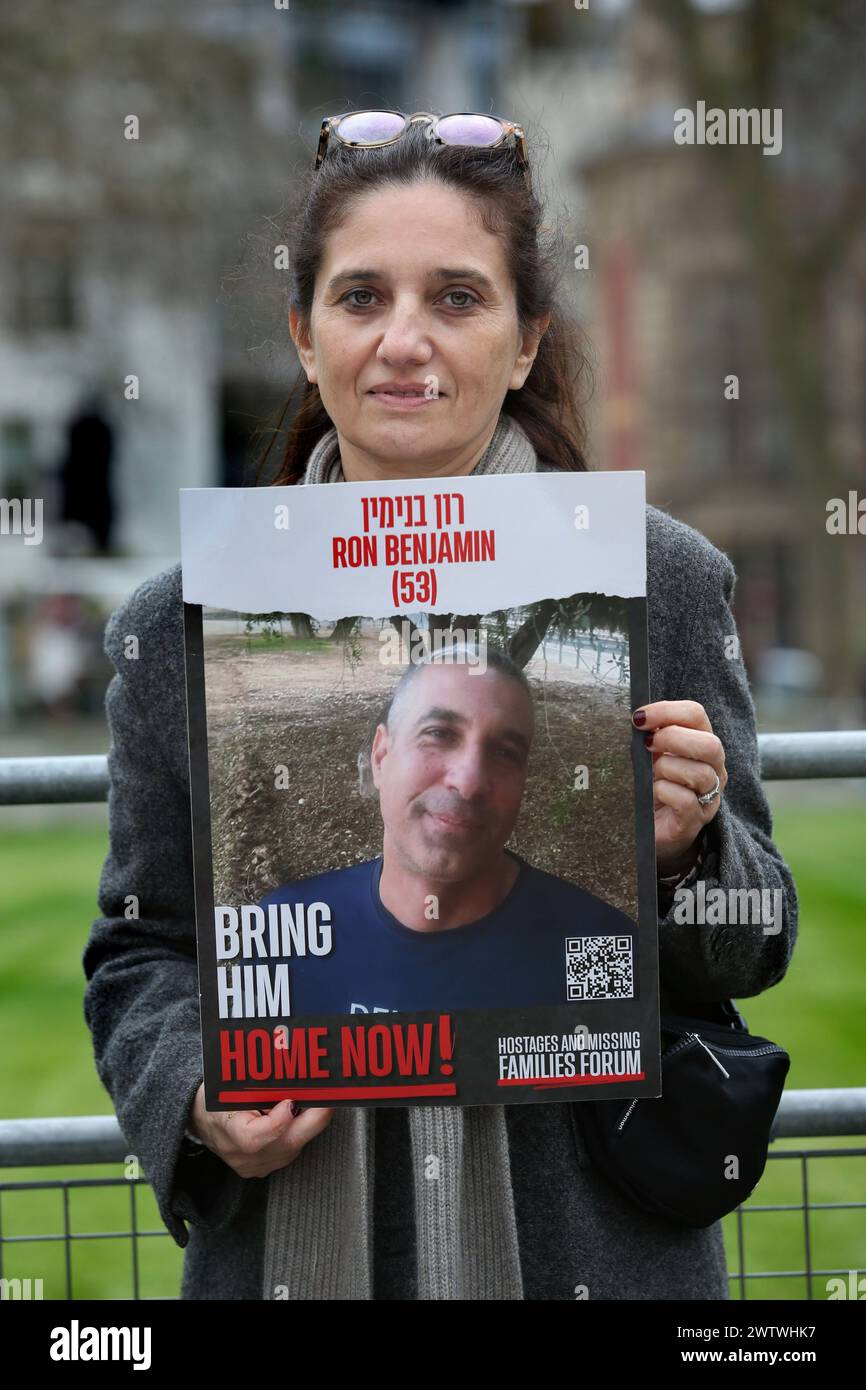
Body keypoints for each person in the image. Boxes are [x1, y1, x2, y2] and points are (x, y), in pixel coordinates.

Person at [83, 109, 798, 1300]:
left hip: (586, 1250)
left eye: (456, 298)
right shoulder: (183, 622)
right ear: (304, 338)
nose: (402, 342)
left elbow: (758, 937)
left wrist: (687, 851)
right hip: (299, 1241)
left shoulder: (654, 576)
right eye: (361, 298)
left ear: (525, 342)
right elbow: (139, 947)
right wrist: (199, 1096)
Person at [254, 647, 638, 1016]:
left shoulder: (599, 946)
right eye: (439, 733)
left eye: (505, 752)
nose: (469, 782)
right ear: (381, 757)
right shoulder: (285, 929)